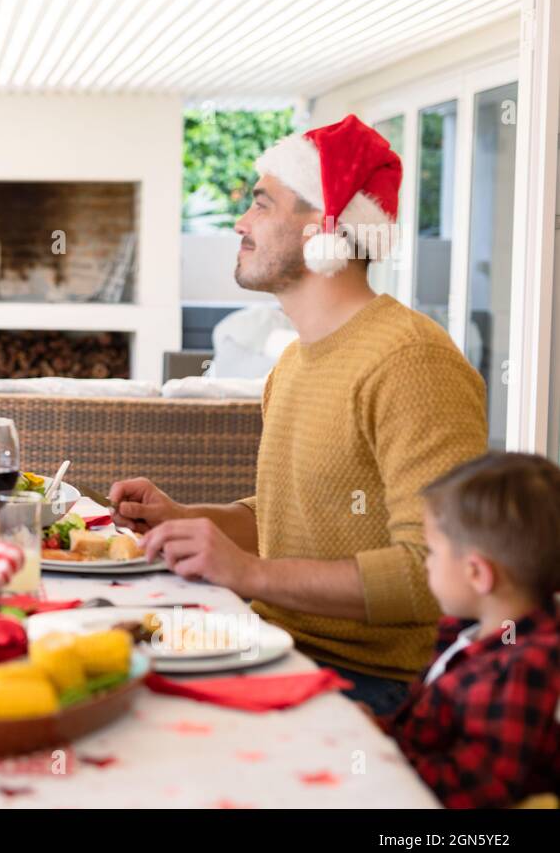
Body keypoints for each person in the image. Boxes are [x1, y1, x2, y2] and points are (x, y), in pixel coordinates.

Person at [110, 116, 488, 715]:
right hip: (272, 645)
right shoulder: (294, 361)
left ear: (324, 223)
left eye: (262, 203)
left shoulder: (411, 361)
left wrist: (251, 574)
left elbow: (434, 575)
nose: (241, 222)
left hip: (370, 685)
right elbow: (293, 521)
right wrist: (184, 518)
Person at [385, 452, 560, 808]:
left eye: (432, 552)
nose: (426, 563)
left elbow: (476, 791)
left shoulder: (521, 668)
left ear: (477, 573)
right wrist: (380, 730)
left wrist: (380, 756)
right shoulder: (469, 633)